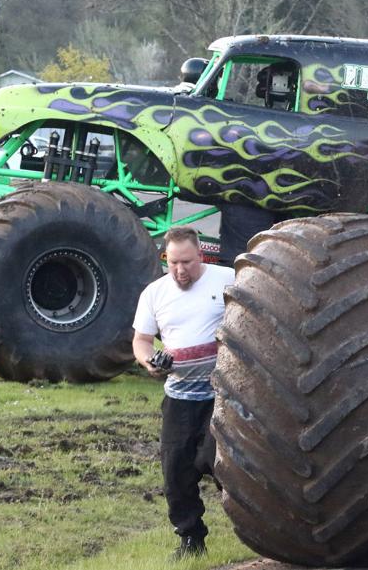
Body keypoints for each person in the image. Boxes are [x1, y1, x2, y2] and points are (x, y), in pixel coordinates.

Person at [131, 226, 235, 560]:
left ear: (200, 255)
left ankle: (254, 527)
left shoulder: (228, 279)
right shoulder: (155, 293)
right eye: (173, 262)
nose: (180, 270)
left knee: (216, 462)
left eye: (187, 262)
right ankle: (191, 539)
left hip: (222, 394)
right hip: (179, 397)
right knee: (175, 472)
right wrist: (150, 362)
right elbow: (141, 341)